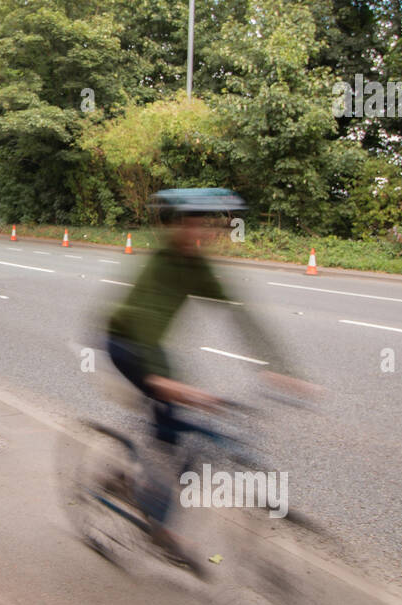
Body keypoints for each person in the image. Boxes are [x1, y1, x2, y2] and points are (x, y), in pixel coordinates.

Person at [105, 188, 313, 566]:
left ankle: (136, 481)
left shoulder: (199, 267)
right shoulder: (161, 262)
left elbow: (241, 315)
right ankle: (157, 520)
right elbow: (143, 320)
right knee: (173, 419)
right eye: (196, 222)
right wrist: (158, 381)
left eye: (210, 224)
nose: (205, 231)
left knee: (178, 433)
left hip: (155, 351)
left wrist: (279, 369)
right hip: (125, 343)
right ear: (180, 225)